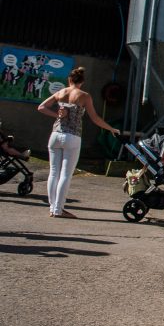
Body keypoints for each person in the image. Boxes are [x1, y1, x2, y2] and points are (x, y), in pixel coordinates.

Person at [37, 67, 120, 218]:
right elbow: (95, 118)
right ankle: (58, 209)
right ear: (82, 82)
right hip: (72, 136)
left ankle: (52, 207)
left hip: (55, 134)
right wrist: (111, 129)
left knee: (54, 171)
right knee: (65, 175)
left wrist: (56, 115)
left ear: (69, 80)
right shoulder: (84, 96)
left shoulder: (61, 92)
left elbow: (41, 107)